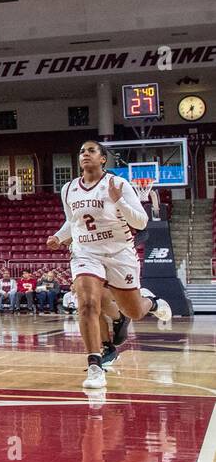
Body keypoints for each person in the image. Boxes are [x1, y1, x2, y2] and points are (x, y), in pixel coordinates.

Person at [46, 140, 172, 391]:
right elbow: (73, 222)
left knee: (135, 311)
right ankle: (95, 365)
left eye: (91, 151)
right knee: (87, 303)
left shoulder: (118, 184)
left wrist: (120, 202)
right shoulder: (69, 189)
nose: (85, 154)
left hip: (118, 252)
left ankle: (153, 302)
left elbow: (142, 221)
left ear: (103, 159)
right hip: (85, 252)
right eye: (81, 151)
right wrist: (58, 237)